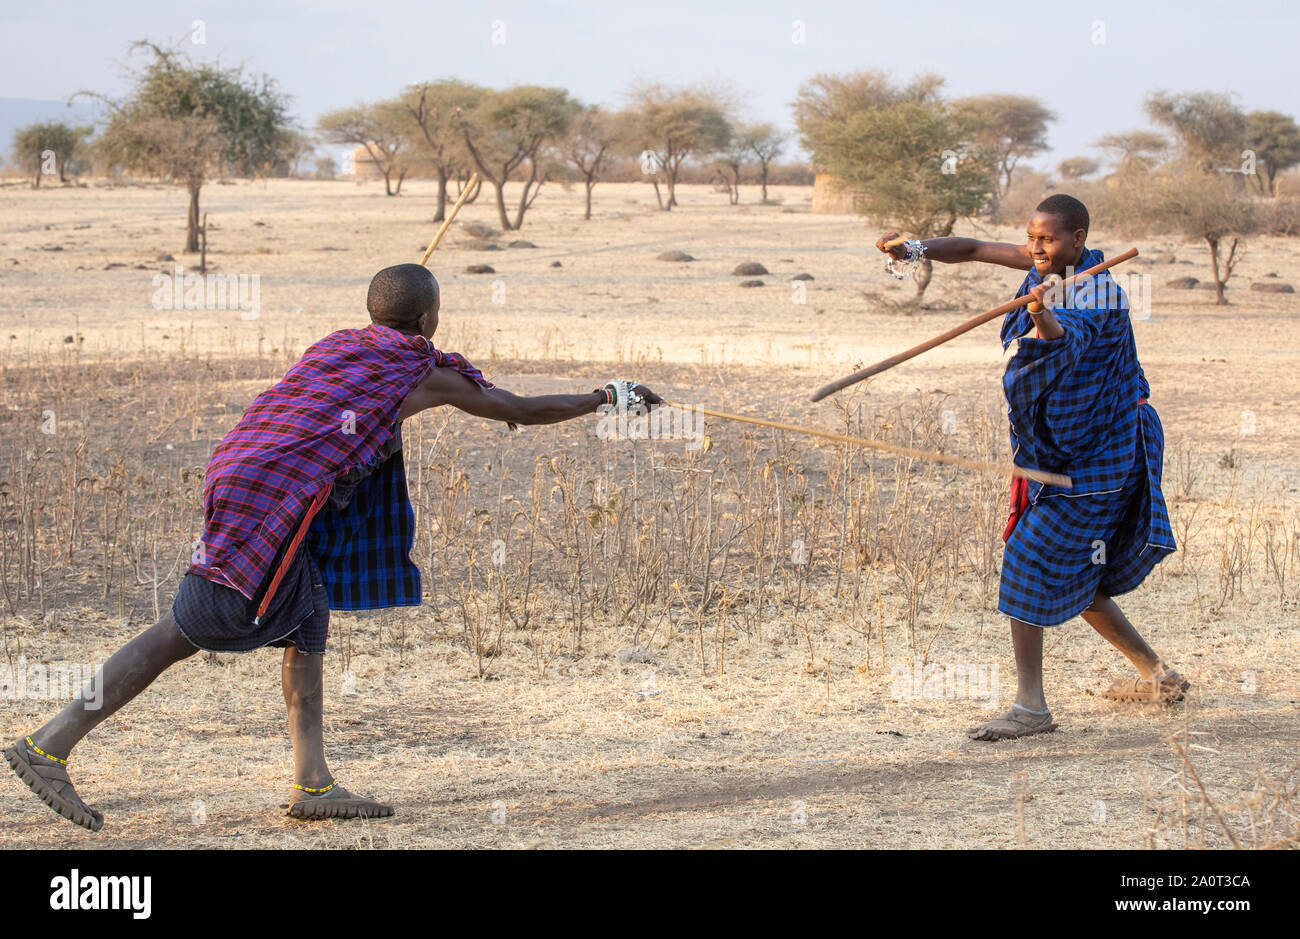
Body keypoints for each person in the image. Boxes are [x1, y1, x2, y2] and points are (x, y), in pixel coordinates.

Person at [5, 263, 660, 828]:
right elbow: (516, 407)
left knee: (309, 609)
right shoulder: (415, 371)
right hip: (274, 495)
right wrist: (609, 395)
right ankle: (50, 742)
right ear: (430, 317)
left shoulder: (343, 346)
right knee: (190, 625)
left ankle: (312, 782)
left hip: (245, 471)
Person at [876, 195, 1184, 742]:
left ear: (1080, 239)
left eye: (1048, 239)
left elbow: (1065, 344)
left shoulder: (1100, 293)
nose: (1035, 248)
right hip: (1071, 451)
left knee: (1029, 555)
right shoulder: (1047, 266)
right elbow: (970, 248)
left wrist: (1040, 314)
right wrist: (915, 248)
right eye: (1031, 237)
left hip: (1103, 448)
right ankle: (1158, 676)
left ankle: (1031, 707)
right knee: (1071, 567)